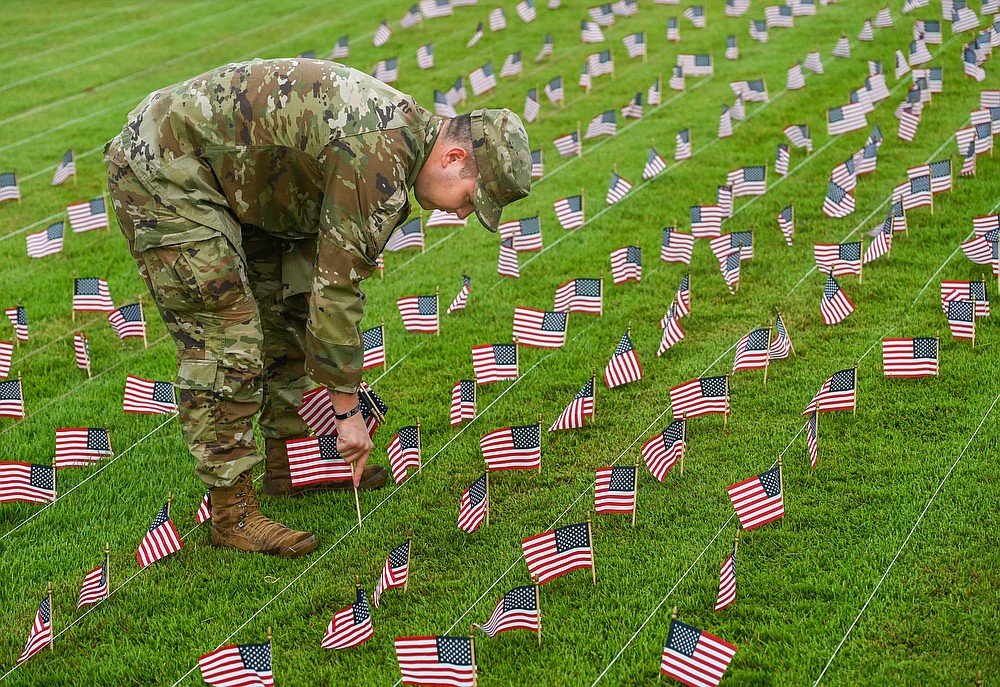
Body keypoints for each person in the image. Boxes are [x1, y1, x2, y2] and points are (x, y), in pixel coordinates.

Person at [105, 58, 531, 558]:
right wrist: (347, 410)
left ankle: (289, 462)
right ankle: (230, 513)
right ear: (454, 156)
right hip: (164, 169)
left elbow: (317, 291)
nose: (460, 214)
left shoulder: (402, 143)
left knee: (288, 303)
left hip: (247, 186)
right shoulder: (378, 157)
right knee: (226, 334)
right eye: (469, 199)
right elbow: (339, 288)